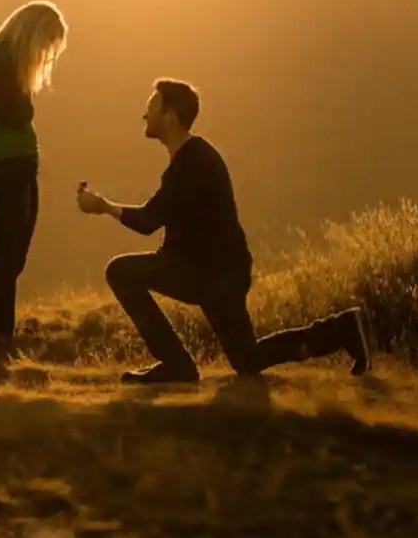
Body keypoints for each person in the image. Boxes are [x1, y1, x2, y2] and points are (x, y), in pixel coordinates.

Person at [76, 78, 371, 383]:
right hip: (220, 272)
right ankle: (342, 329)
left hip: (206, 273)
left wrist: (103, 206)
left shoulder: (191, 164)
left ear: (171, 117)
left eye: (152, 106)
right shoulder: (195, 158)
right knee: (246, 359)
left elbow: (148, 221)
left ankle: (176, 365)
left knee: (119, 272)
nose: (144, 114)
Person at [0, 0, 68, 389]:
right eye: (44, 44)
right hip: (6, 169)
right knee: (3, 259)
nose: (43, 55)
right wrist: (25, 94)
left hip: (16, 167)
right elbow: (18, 113)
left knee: (12, 258)